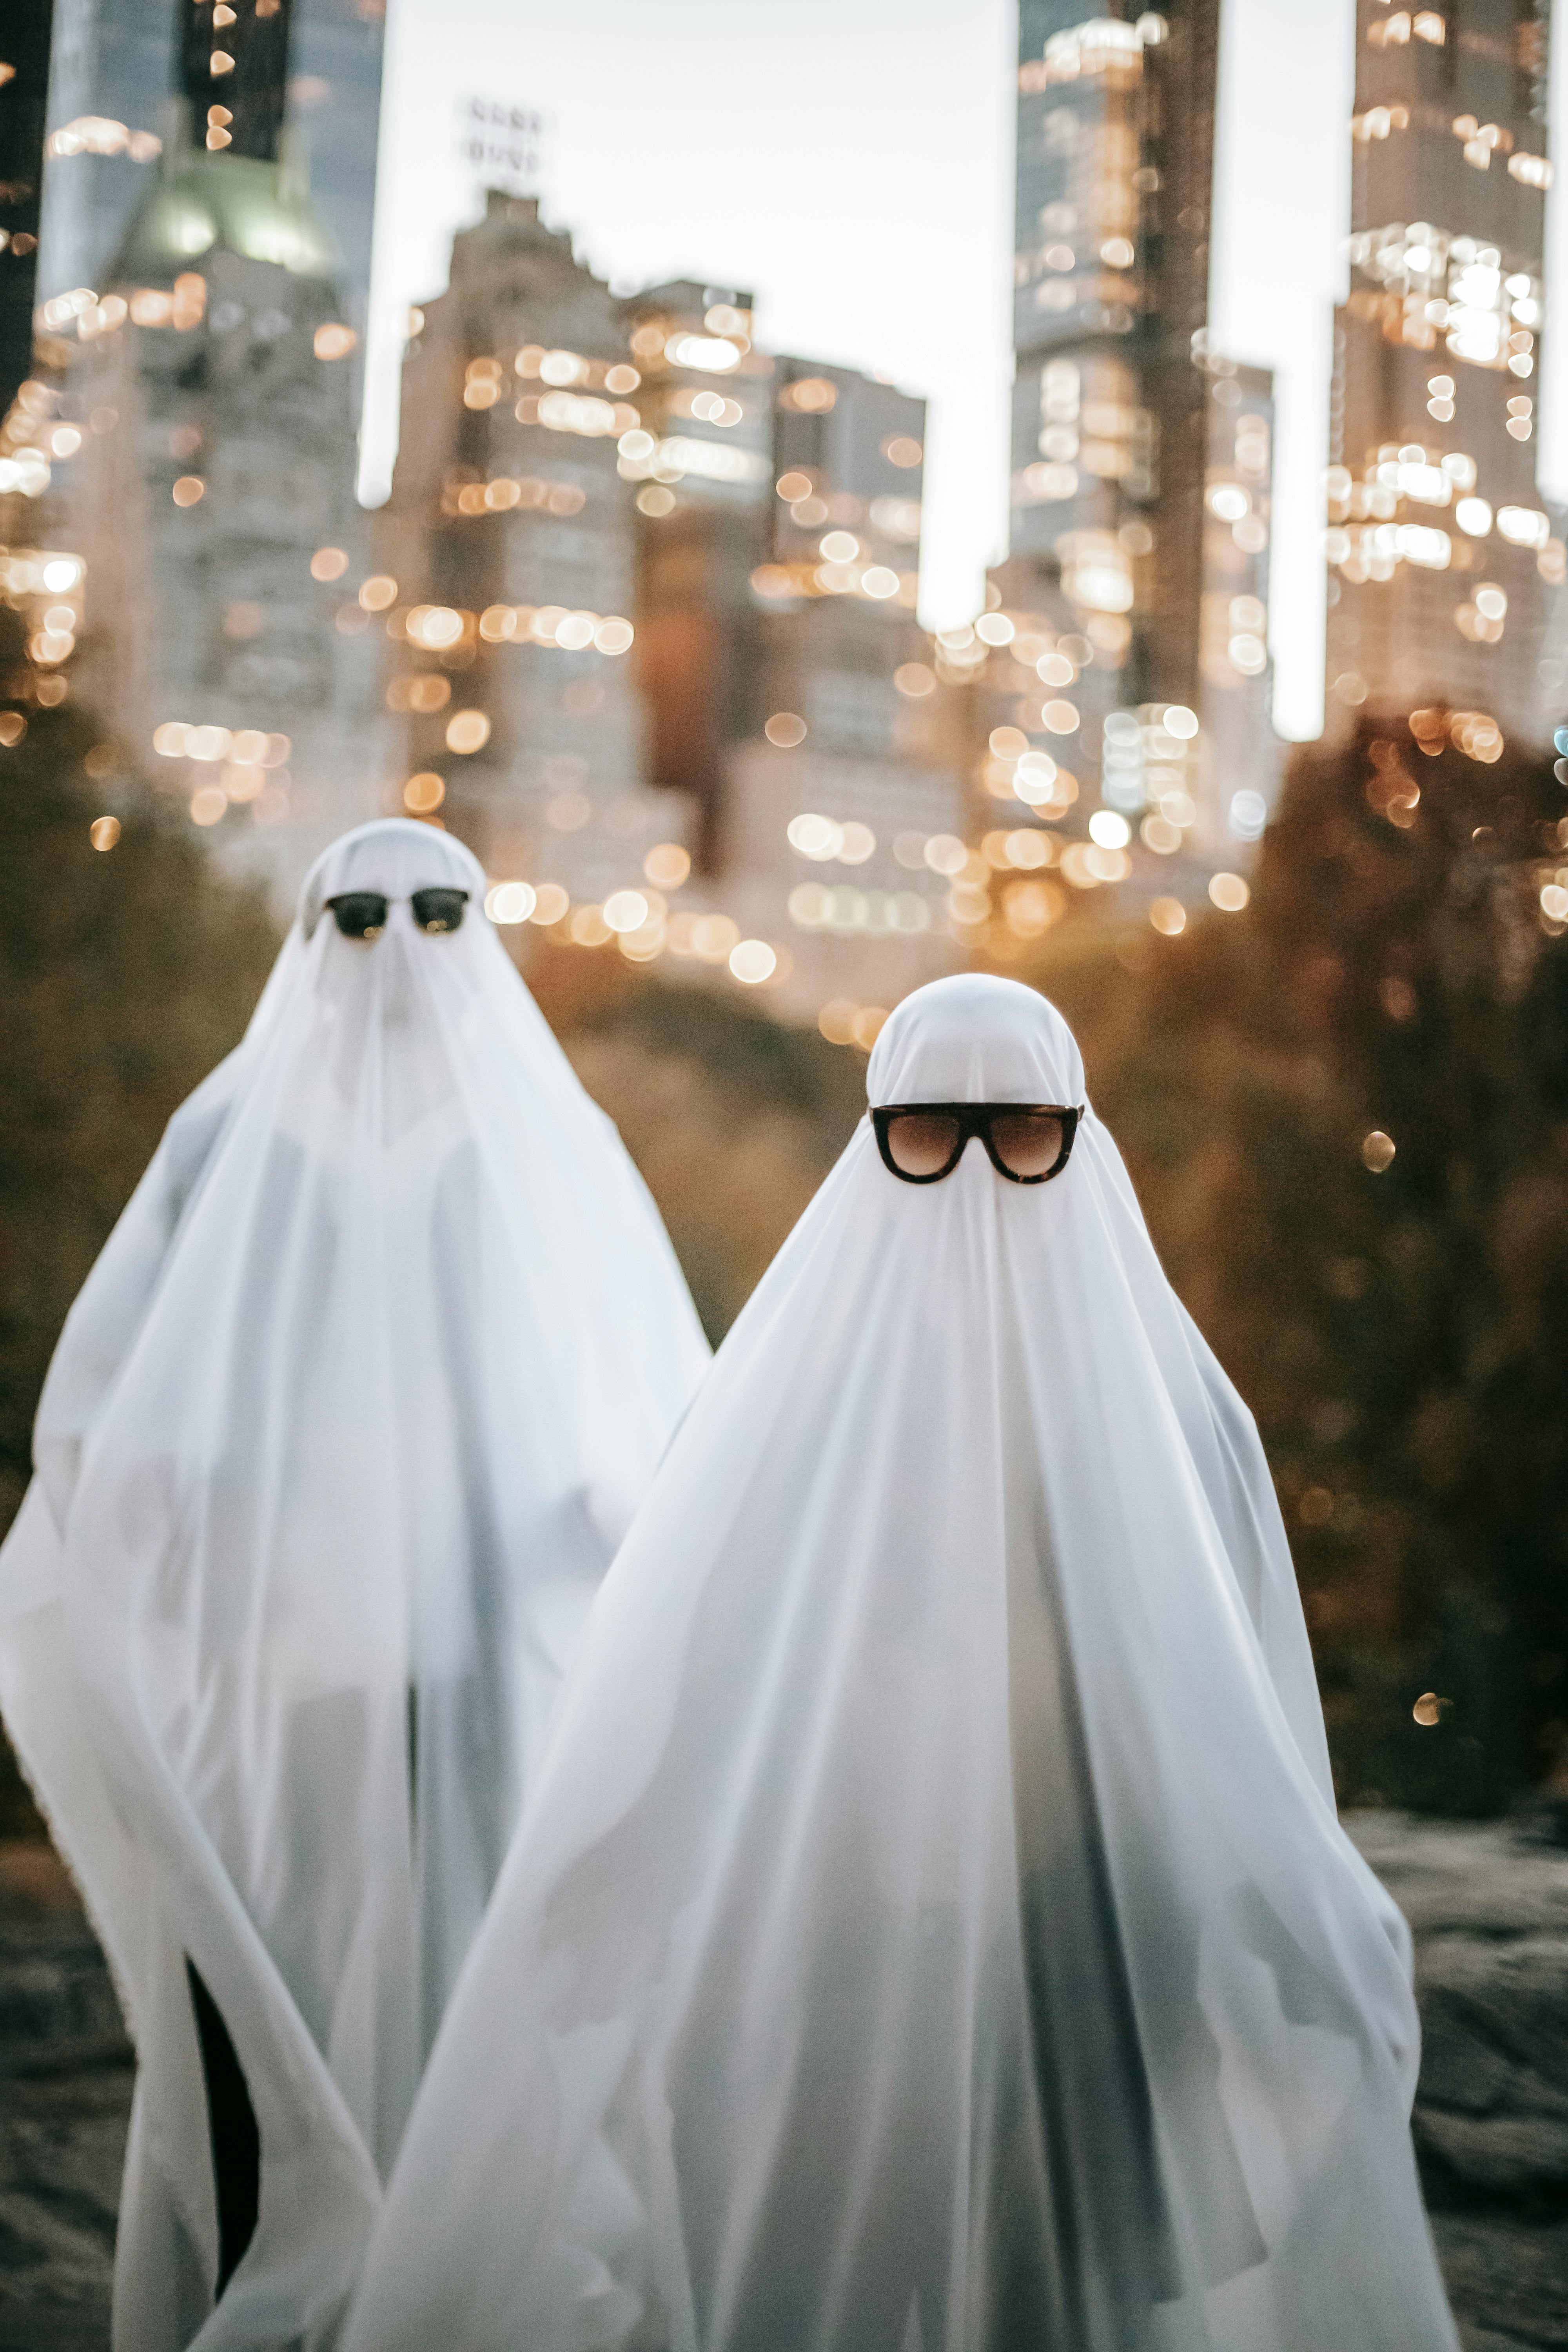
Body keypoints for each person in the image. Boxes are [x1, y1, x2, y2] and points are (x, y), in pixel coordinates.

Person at [341, 971, 1458, 2352]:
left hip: (1090, 1959)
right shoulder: (790, 1409)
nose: (983, 1173)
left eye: (1025, 1132)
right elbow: (696, 1667)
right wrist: (605, 1881)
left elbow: (1218, 1703)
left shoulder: (1174, 1420)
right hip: (830, 1955)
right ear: (875, 1141)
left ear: (1078, 1138)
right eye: (934, 1133)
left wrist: (1294, 1917)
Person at [0, 818, 710, 2352]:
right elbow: (116, 1406)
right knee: (278, 2012)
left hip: (487, 1684)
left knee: (488, 2013)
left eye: (442, 910)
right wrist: (154, 1507)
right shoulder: (224, 1148)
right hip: (279, 1696)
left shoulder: (550, 1148)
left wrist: (627, 1525)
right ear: (315, 929)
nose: (400, 946)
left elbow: (635, 1394)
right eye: (364, 912)